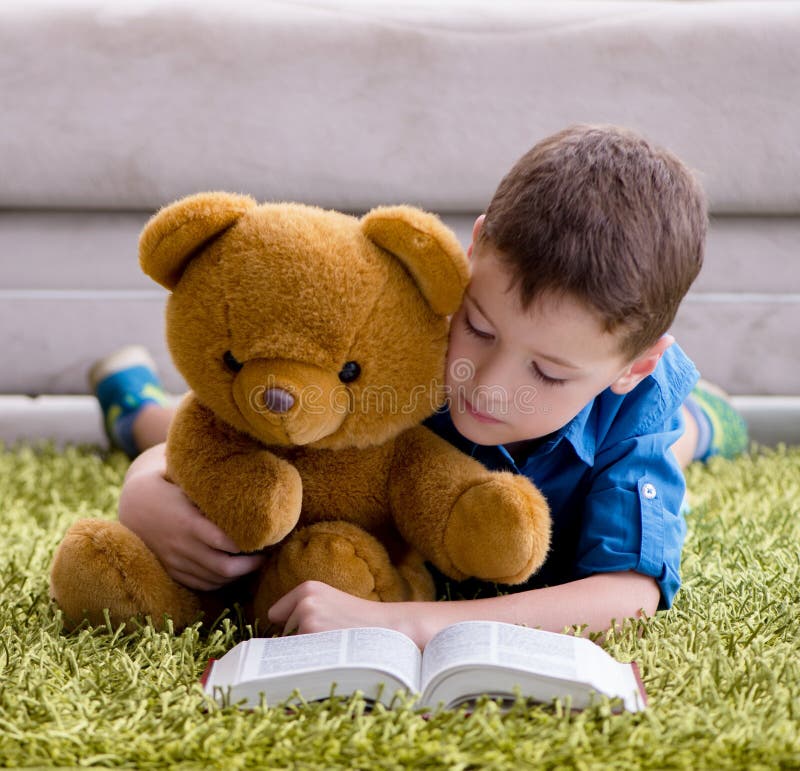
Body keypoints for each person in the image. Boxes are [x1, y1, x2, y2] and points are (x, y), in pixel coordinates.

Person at [92, 125, 748, 646]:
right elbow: (232, 428)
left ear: (633, 365)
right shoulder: (417, 325)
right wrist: (143, 490)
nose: (485, 386)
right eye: (480, 328)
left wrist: (407, 623)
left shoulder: (638, 397)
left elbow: (629, 595)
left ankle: (708, 418)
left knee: (669, 443)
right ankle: (136, 409)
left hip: (626, 430)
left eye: (548, 372)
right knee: (231, 426)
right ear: (474, 250)